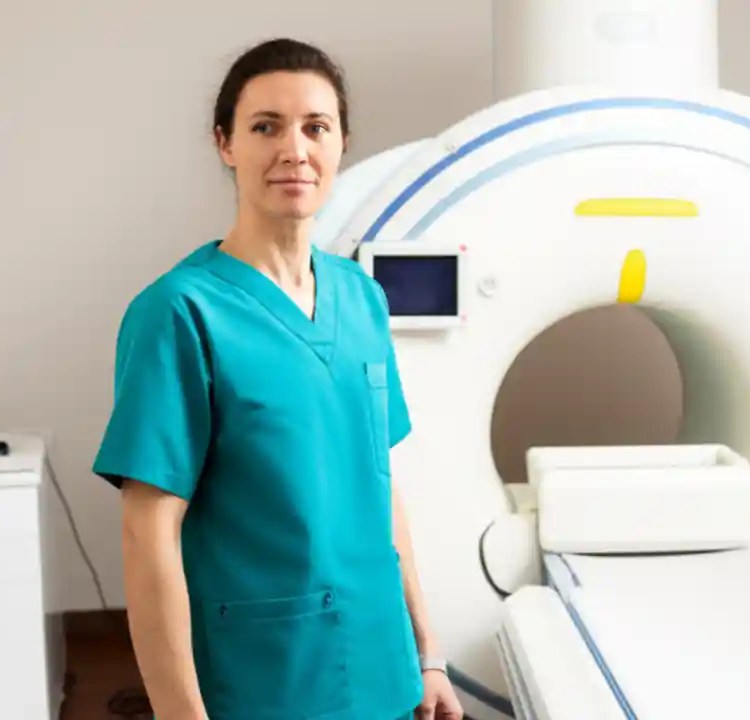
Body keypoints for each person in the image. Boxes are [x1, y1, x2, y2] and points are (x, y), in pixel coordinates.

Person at [91, 37, 464, 720]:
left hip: (382, 666)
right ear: (225, 143)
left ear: (341, 143)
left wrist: (427, 654)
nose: (295, 149)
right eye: (266, 126)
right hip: (265, 678)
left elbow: (379, 486)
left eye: (316, 127)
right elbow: (148, 536)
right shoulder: (179, 311)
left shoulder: (361, 297)